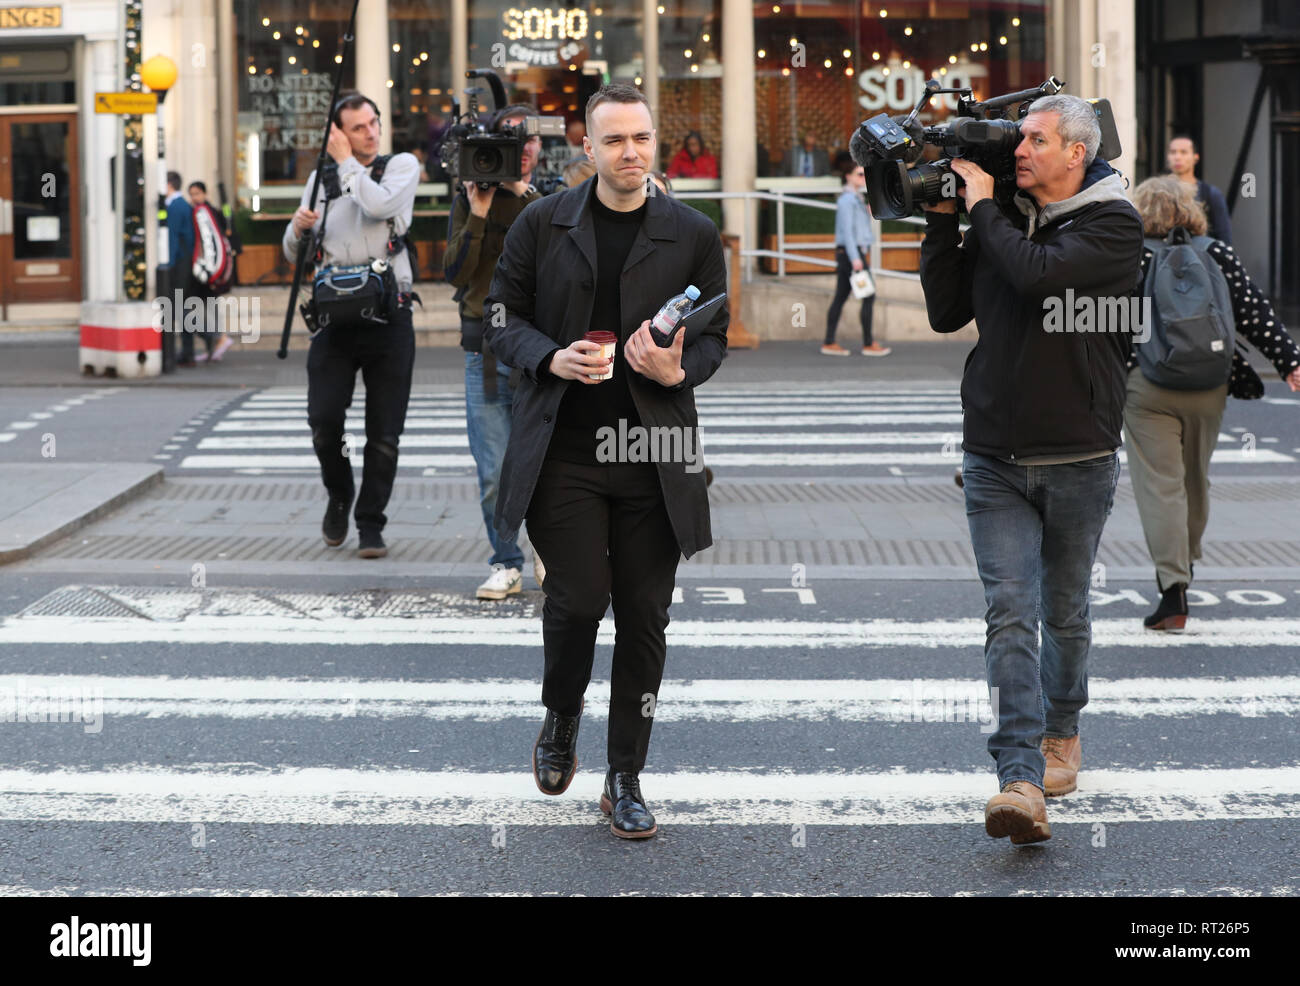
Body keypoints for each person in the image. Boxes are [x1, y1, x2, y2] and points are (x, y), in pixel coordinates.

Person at [484, 83, 728, 840]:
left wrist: (677, 372)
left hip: (655, 456)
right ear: (586, 149)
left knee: (647, 619)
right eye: (615, 140)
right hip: (565, 453)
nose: (631, 153)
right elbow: (500, 317)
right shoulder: (541, 224)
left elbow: (716, 331)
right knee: (580, 600)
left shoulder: (691, 232)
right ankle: (561, 715)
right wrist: (550, 358)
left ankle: (625, 775)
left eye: (643, 138)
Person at [919, 94, 1144, 845]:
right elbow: (949, 313)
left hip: (1080, 453)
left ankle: (1063, 728)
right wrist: (944, 217)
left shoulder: (1114, 224)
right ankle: (1018, 777)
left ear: (1077, 152)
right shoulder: (1000, 215)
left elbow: (1041, 279)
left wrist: (984, 211)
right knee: (1010, 612)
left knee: (1066, 611)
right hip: (993, 456)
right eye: (1018, 139)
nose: (1019, 150)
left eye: (1037, 140)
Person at [1125, 176, 1300, 630]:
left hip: (1148, 384)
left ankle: (1173, 590)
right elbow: (1255, 312)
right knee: (1194, 480)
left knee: (1160, 485)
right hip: (1210, 384)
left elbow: (1110, 320)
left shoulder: (1132, 256)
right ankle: (1187, 563)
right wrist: (1289, 362)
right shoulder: (1217, 253)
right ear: (1191, 209)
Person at [282, 90, 420, 559]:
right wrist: (297, 230)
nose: (370, 132)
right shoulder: (321, 178)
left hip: (389, 315)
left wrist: (347, 165)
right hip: (333, 317)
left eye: (373, 122)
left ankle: (371, 522)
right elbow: (292, 250)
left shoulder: (400, 166)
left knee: (384, 430)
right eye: (358, 127)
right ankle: (339, 494)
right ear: (339, 132)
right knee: (323, 420)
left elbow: (379, 207)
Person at [444, 104, 545, 600]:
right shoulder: (470, 199)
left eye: (529, 139)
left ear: (541, 148)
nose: (521, 148)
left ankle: (548, 549)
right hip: (482, 348)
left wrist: (526, 198)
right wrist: (480, 211)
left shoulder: (550, 204)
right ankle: (506, 559)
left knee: (544, 462)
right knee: (493, 470)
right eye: (510, 138)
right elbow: (456, 273)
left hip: (534, 350)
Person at [822, 163, 889, 357]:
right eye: (859, 174)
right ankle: (867, 344)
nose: (863, 178)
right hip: (851, 255)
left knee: (841, 297)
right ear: (848, 176)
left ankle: (829, 341)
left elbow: (857, 229)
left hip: (850, 254)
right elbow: (848, 232)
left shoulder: (856, 199)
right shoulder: (847, 201)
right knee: (868, 295)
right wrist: (856, 258)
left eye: (864, 174)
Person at [187, 181, 234, 363]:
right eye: (192, 194)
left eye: (197, 193)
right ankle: (213, 347)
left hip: (208, 269)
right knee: (207, 306)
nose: (194, 198)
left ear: (205, 194)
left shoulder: (205, 213)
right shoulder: (205, 212)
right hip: (210, 269)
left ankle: (219, 339)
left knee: (207, 307)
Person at [1166, 135, 1232, 245]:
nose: (1177, 157)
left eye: (1184, 152)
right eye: (1173, 152)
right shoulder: (1158, 192)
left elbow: (1223, 235)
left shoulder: (1210, 194)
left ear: (1195, 157)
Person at [163, 172, 198, 368]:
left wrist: (168, 263)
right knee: (181, 306)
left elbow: (173, 237)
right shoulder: (181, 205)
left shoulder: (176, 207)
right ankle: (188, 351)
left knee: (178, 307)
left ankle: (187, 351)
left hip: (179, 263)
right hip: (184, 261)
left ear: (169, 185)